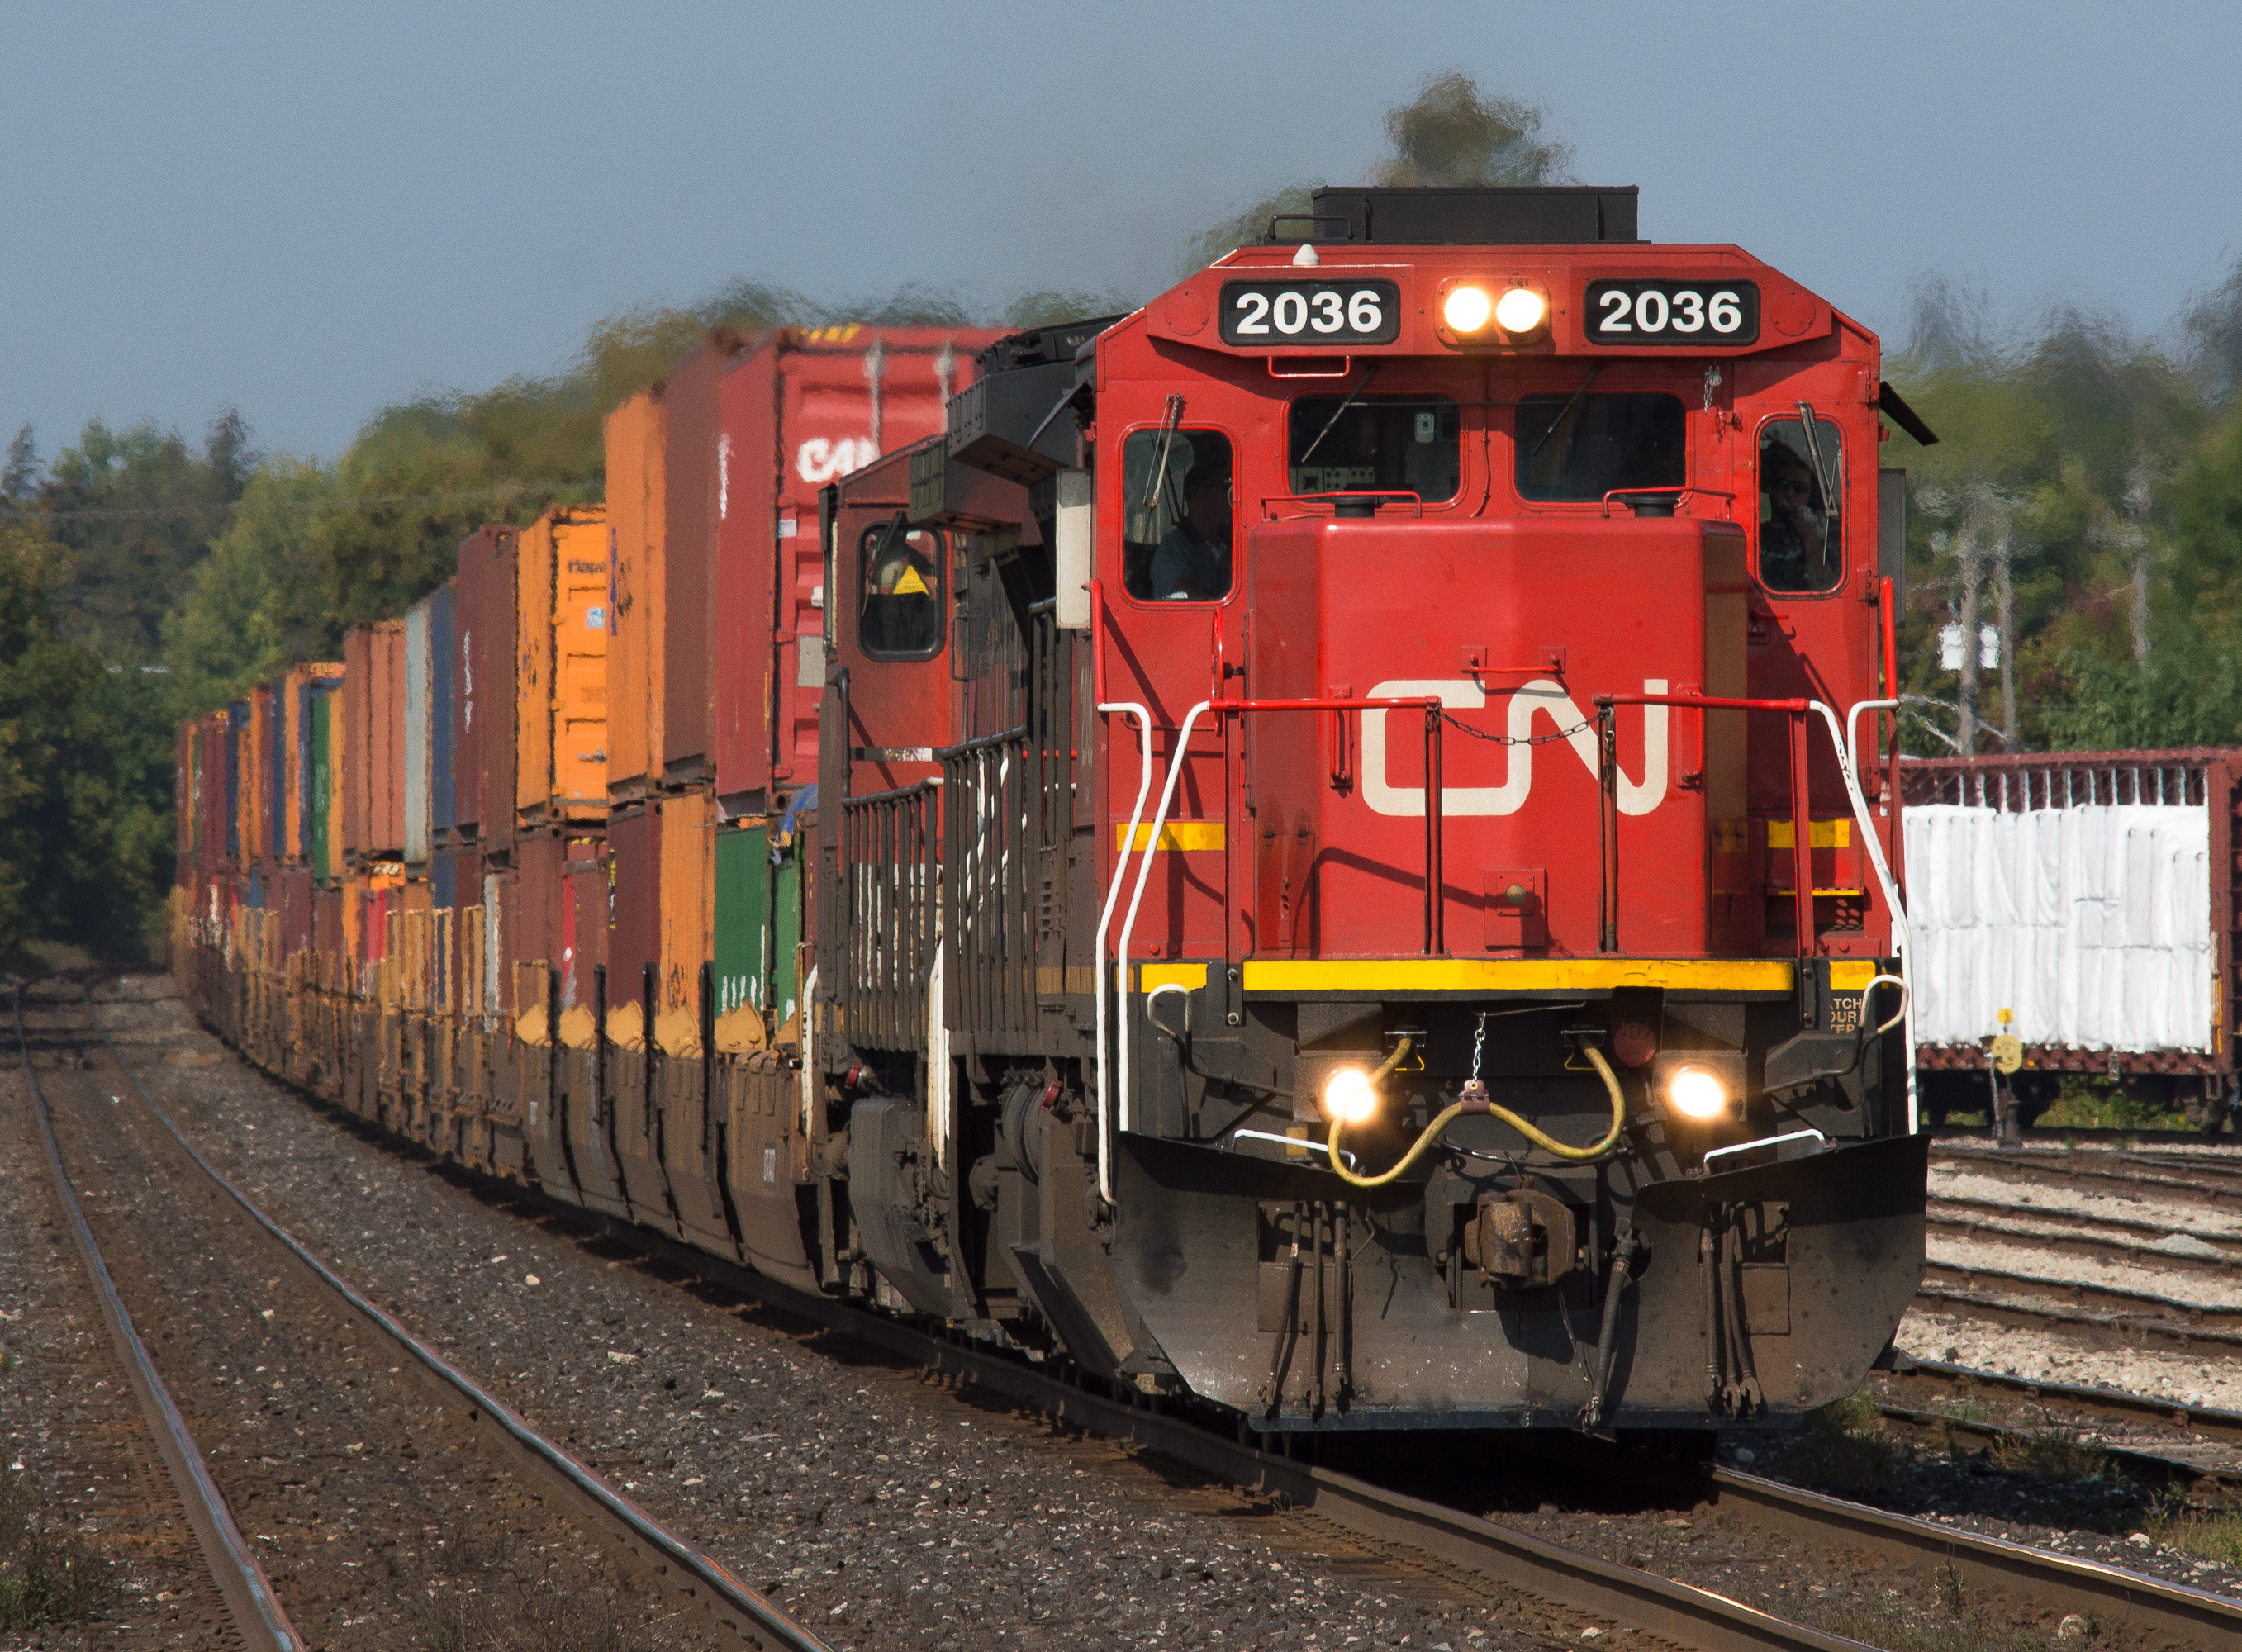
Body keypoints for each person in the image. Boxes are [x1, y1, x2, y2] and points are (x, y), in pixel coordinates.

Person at [1759, 444, 1836, 592]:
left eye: (1799, 488)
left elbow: (1824, 588)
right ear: (1771, 489)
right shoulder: (1757, 534)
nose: (1789, 493)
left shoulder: (1825, 541)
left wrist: (1810, 537)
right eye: (1783, 485)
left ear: (1810, 496)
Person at [1149, 469, 1233, 601]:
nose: (1233, 495)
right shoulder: (1173, 549)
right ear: (1203, 493)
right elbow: (1189, 597)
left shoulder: (1231, 543)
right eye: (1227, 488)